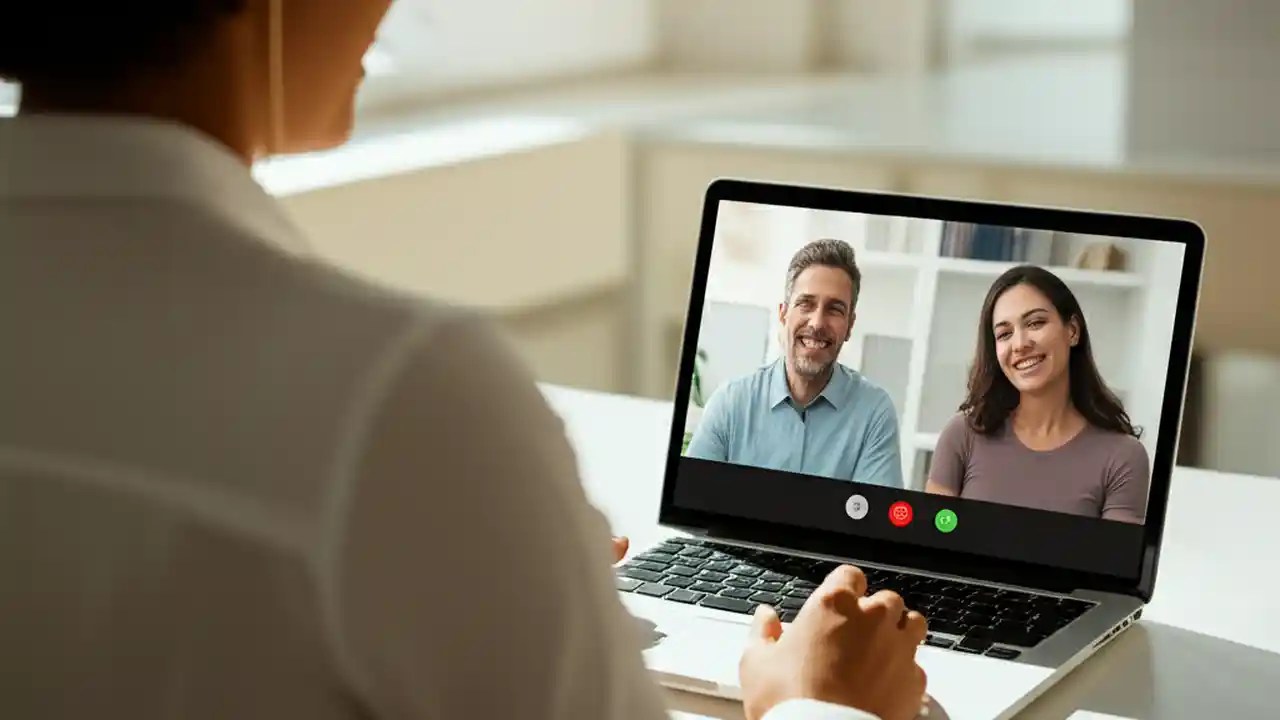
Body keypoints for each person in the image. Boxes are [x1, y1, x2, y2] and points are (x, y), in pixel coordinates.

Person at [0, 3, 928, 719]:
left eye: (834, 310)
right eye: (805, 303)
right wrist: (817, 703)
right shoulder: (401, 393)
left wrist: (500, 571)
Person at [925, 265, 1150, 523]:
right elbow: (929, 548)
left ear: (1072, 330)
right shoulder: (962, 435)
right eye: (1004, 334)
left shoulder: (1123, 457)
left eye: (1035, 323)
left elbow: (1114, 561)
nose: (1020, 344)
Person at [688, 239, 904, 488]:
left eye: (834, 309)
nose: (817, 322)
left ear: (850, 326)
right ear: (783, 314)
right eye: (806, 304)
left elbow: (871, 522)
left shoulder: (874, 413)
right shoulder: (730, 403)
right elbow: (695, 502)